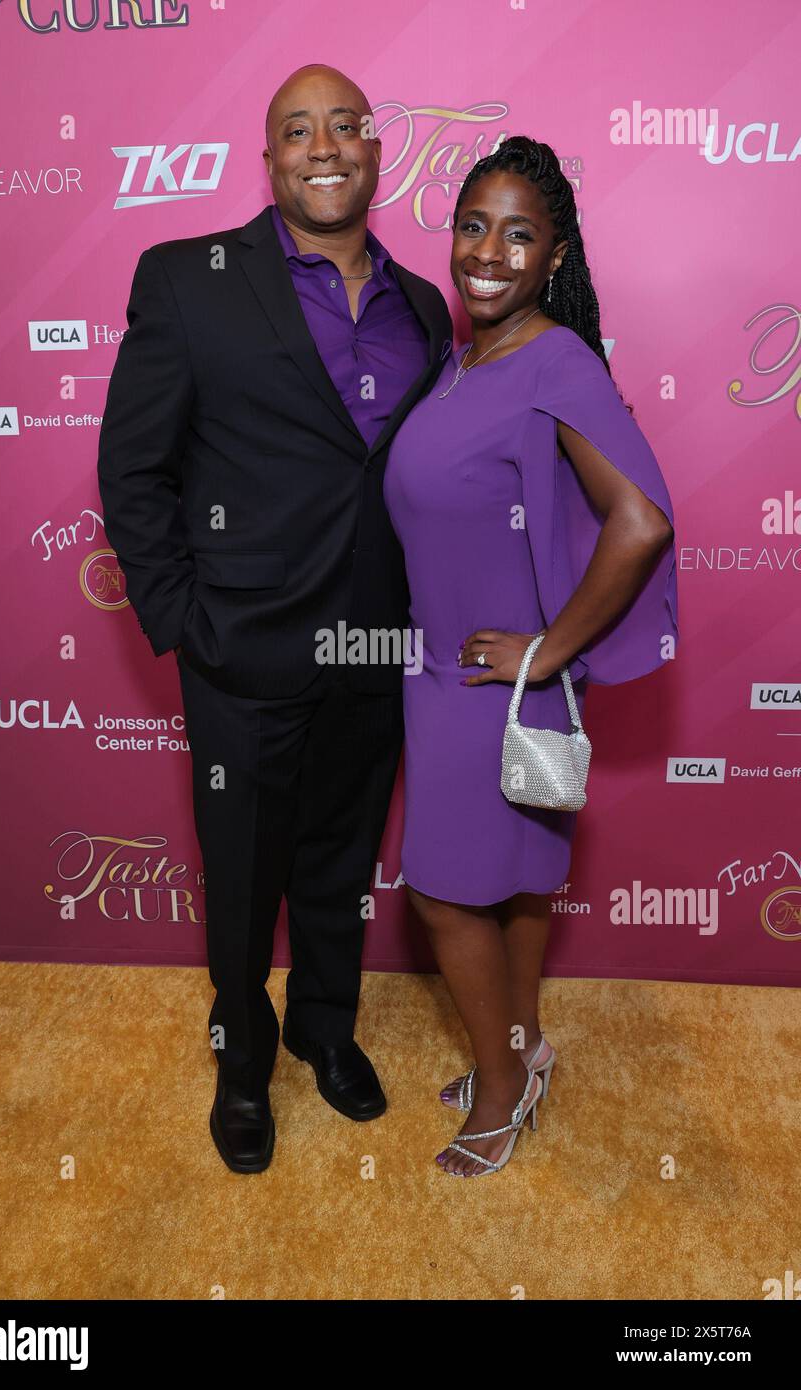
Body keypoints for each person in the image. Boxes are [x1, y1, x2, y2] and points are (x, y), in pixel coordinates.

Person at [97, 64, 453, 1173]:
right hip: (240, 649)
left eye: (344, 126)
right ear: (270, 158)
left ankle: (325, 1027)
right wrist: (186, 620)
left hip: (375, 644)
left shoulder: (426, 306)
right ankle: (242, 1059)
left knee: (342, 860)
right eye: (298, 130)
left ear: (375, 152)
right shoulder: (192, 280)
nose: (324, 146)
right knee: (244, 874)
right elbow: (133, 467)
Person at [383, 136, 679, 1177]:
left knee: (442, 891)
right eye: (474, 225)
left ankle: (501, 1093)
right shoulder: (470, 359)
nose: (490, 252)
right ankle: (524, 1048)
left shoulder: (555, 358)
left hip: (493, 682)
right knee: (508, 884)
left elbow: (640, 519)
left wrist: (546, 651)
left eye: (520, 233)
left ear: (555, 254)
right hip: (447, 673)